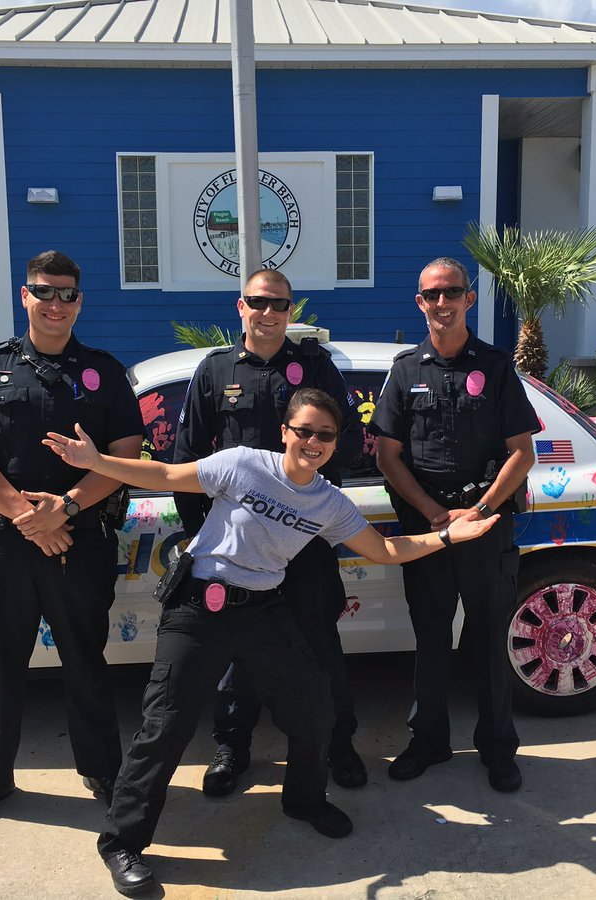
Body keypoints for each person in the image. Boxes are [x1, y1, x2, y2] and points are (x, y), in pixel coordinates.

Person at [42, 387, 500, 897]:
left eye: (324, 435)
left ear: (335, 443)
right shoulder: (243, 464)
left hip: (262, 611)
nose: (313, 441)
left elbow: (385, 549)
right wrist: (95, 461)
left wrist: (449, 537)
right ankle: (122, 842)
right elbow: (168, 475)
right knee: (165, 723)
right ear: (285, 431)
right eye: (303, 430)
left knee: (314, 710)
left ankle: (304, 800)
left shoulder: (328, 501)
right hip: (199, 605)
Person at [0, 250, 144, 834]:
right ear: (25, 297)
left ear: (79, 302)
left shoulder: (105, 372)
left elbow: (126, 455)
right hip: (4, 544)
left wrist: (68, 508)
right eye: (45, 292)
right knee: (1, 665)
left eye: (67, 294)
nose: (57, 304)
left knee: (86, 659)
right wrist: (26, 516)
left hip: (79, 541)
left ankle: (104, 772)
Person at [172, 267, 368, 796]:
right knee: (234, 650)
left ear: (289, 311)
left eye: (279, 304)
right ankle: (232, 748)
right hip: (234, 550)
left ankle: (338, 745)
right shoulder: (214, 371)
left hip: (300, 543)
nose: (268, 313)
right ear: (242, 306)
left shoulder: (314, 369)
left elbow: (347, 443)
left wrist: (310, 508)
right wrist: (207, 539)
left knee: (319, 645)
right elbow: (186, 456)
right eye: (258, 302)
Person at [370, 257, 539, 794]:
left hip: (486, 529)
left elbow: (522, 453)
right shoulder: (404, 370)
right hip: (427, 529)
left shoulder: (495, 367)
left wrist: (483, 511)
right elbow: (387, 456)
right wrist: (436, 514)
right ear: (419, 302)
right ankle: (429, 741)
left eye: (451, 293)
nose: (441, 303)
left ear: (469, 298)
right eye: (430, 295)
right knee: (430, 639)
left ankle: (497, 748)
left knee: (490, 641)